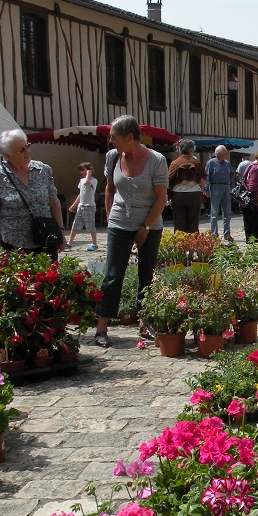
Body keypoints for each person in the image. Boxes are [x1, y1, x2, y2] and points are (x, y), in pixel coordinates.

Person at [93, 116, 168, 349]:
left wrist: (144, 227)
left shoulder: (156, 161)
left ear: (129, 137)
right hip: (119, 222)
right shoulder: (113, 157)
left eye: (113, 136)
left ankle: (145, 322)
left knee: (146, 275)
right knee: (113, 274)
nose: (110, 141)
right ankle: (101, 328)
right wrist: (110, 218)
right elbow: (109, 190)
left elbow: (161, 199)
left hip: (149, 222)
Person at [0, 130, 65, 260]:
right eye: (21, 150)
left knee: (48, 279)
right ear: (7, 155)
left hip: (45, 238)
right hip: (14, 244)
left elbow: (54, 203)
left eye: (27, 146)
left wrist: (60, 233)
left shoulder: (43, 170)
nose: (27, 152)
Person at [167, 139, 206, 233]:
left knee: (179, 222)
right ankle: (192, 245)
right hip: (194, 194)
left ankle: (180, 245)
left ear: (180, 150)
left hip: (178, 195)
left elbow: (168, 181)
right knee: (193, 222)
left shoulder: (175, 163)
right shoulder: (196, 163)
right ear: (191, 150)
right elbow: (203, 181)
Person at [66, 162, 99, 251]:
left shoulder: (93, 180)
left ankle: (94, 244)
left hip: (89, 206)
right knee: (75, 224)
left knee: (90, 225)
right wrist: (74, 205)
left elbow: (87, 183)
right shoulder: (81, 181)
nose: (82, 172)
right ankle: (69, 243)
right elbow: (80, 194)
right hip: (81, 206)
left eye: (83, 170)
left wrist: (88, 174)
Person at [205, 145, 233, 241]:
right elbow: (207, 177)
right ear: (218, 154)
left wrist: (232, 188)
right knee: (214, 212)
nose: (226, 154)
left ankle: (227, 234)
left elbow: (231, 175)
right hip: (215, 187)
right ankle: (214, 233)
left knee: (227, 212)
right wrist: (206, 189)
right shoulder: (211, 163)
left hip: (226, 187)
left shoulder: (227, 163)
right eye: (225, 153)